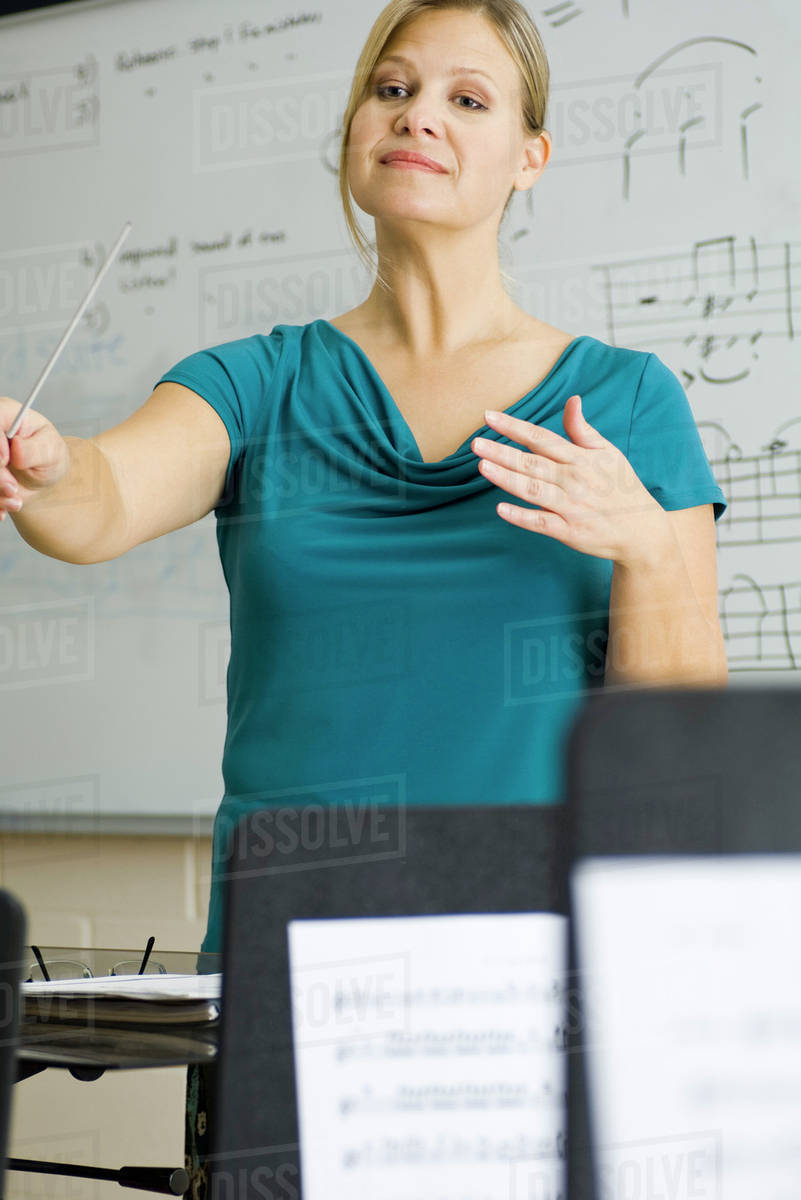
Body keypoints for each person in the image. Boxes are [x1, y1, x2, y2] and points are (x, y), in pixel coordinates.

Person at [0, 0, 728, 961]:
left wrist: (641, 545)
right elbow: (101, 500)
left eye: (466, 99)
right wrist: (43, 467)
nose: (417, 115)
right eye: (392, 89)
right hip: (289, 956)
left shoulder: (626, 400)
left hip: (536, 958)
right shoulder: (258, 382)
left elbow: (680, 738)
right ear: (353, 132)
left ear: (529, 158)